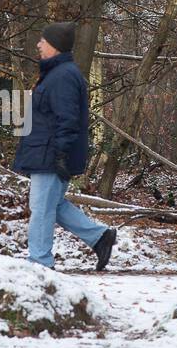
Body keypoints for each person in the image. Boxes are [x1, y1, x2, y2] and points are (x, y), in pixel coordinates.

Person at [12, 22, 117, 271]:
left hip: (50, 154)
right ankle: (100, 237)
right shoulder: (57, 73)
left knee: (41, 208)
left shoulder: (63, 76)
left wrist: (60, 154)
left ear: (55, 46)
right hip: (46, 152)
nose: (38, 44)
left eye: (43, 41)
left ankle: (40, 263)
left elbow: (67, 120)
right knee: (54, 205)